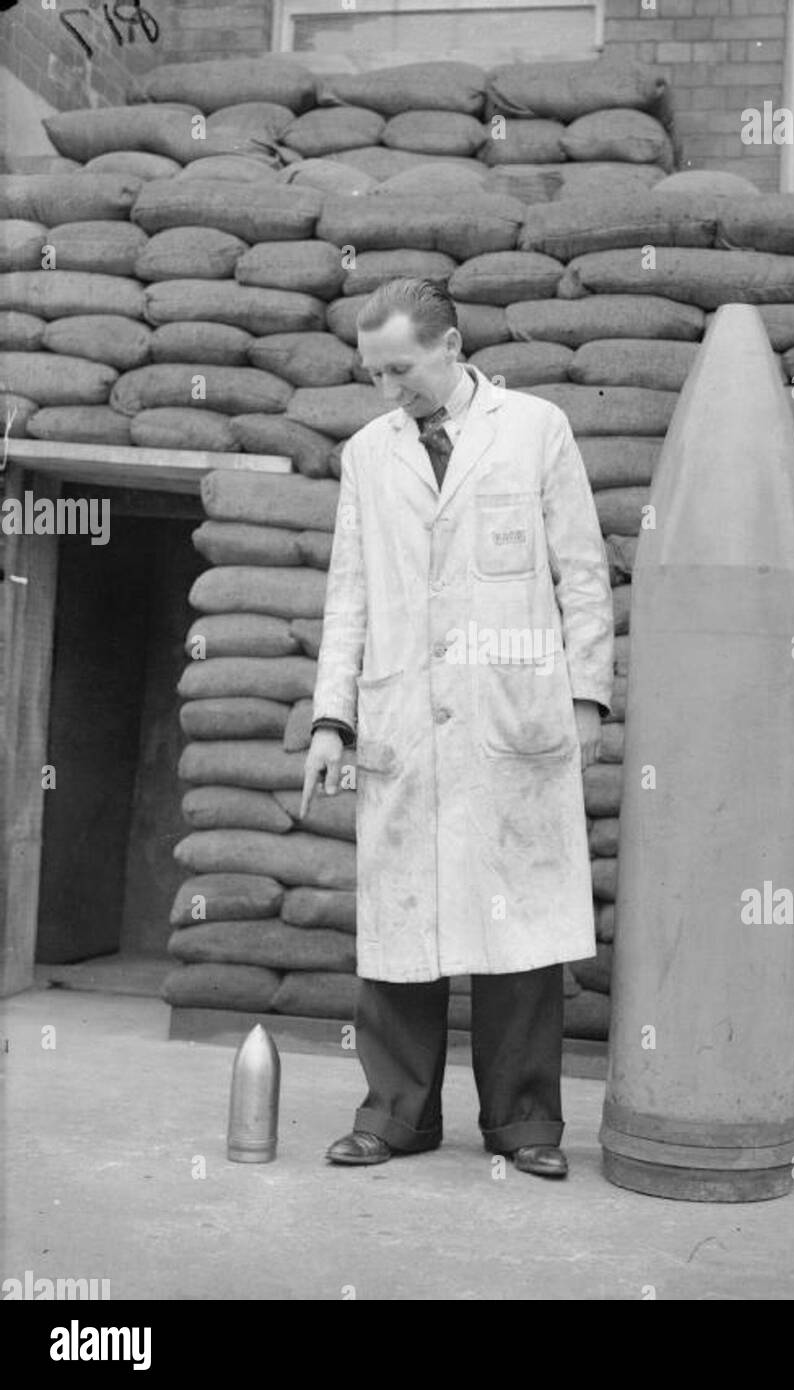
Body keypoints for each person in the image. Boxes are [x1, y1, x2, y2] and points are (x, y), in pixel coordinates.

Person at [300, 277, 614, 1179]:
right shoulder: (368, 452)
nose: (386, 388)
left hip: (513, 716)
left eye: (399, 368)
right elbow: (348, 595)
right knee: (401, 917)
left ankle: (524, 1126)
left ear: (449, 345)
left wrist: (584, 699)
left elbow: (583, 572)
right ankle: (396, 1114)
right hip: (406, 718)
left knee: (517, 925)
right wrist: (333, 721)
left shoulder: (535, 429)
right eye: (373, 372)